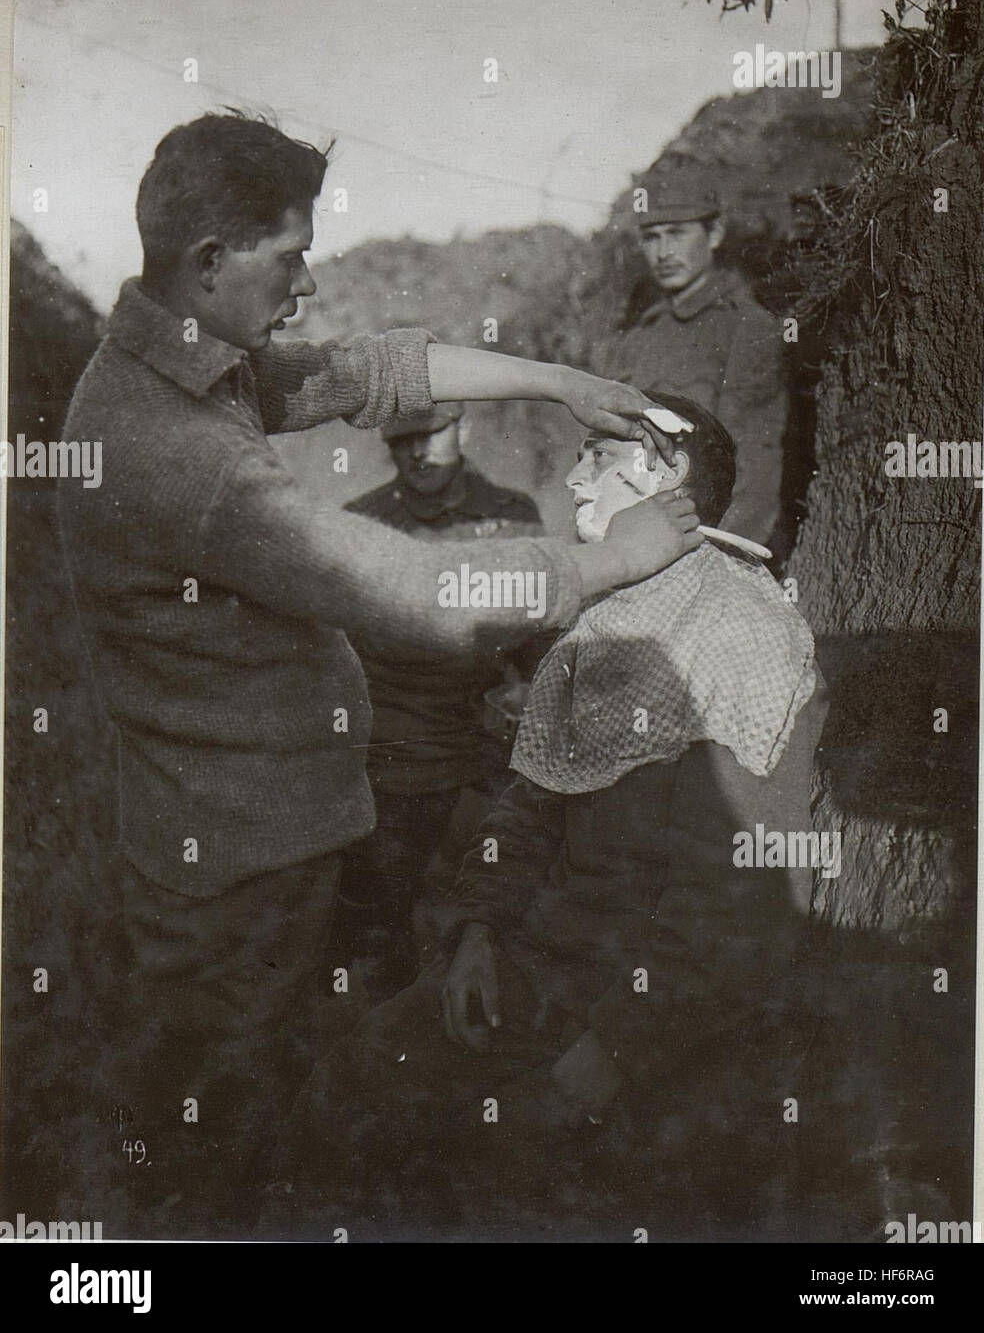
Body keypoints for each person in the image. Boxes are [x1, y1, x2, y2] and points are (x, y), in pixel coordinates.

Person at [55, 111, 700, 1231]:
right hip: (237, 872)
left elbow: (370, 371)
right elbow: (419, 596)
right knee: (219, 1149)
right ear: (211, 264)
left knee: (246, 1109)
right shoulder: (176, 449)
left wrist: (554, 380)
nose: (305, 285)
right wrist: (609, 560)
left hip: (247, 838)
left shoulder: (188, 366)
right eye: (290, 257)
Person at [292, 394, 828, 1236]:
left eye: (597, 459)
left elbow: (742, 909)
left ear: (664, 475)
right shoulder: (598, 618)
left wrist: (607, 1058)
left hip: (653, 1016)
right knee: (354, 1080)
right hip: (539, 964)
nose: (573, 476)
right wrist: (476, 935)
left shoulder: (745, 633)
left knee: (508, 1181)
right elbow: (530, 808)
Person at [337, 404, 545, 1000]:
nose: (417, 452)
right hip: (386, 755)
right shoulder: (363, 523)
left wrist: (525, 690)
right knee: (379, 925)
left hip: (481, 752)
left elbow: (539, 645)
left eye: (432, 434)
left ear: (465, 430)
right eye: (400, 440)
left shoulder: (512, 520)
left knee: (488, 908)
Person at [605, 167, 789, 548]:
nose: (663, 252)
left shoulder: (746, 326)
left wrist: (723, 552)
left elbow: (754, 461)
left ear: (715, 234)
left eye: (677, 234)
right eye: (652, 238)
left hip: (702, 541)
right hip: (635, 535)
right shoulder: (640, 335)